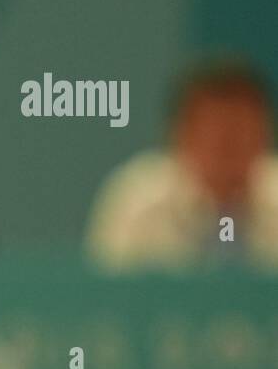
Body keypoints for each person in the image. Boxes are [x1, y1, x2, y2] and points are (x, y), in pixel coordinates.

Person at [86, 57, 278, 270]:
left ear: (265, 135)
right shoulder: (138, 201)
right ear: (180, 134)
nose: (227, 143)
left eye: (241, 130)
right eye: (214, 131)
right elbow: (106, 294)